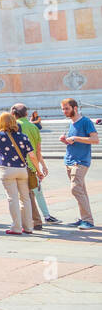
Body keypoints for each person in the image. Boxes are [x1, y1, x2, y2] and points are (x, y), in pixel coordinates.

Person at [12, 103, 57, 226]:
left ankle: (28, 221)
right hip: (33, 165)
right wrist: (42, 166)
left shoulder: (14, 126)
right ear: (27, 114)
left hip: (18, 165)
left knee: (24, 196)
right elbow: (37, 151)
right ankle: (46, 216)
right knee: (37, 192)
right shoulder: (34, 127)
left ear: (13, 114)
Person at [0, 112, 36, 235]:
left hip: (7, 169)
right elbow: (32, 155)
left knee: (13, 199)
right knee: (25, 199)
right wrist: (38, 169)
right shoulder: (23, 136)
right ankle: (28, 227)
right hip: (22, 170)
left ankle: (16, 227)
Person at [60, 98, 97, 229]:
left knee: (75, 189)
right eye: (63, 109)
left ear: (75, 108)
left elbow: (95, 139)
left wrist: (75, 138)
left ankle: (88, 220)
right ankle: (84, 218)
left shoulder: (86, 121)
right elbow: (74, 141)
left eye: (67, 109)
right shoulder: (71, 123)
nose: (64, 111)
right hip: (69, 160)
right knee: (81, 190)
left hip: (81, 161)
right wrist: (66, 140)